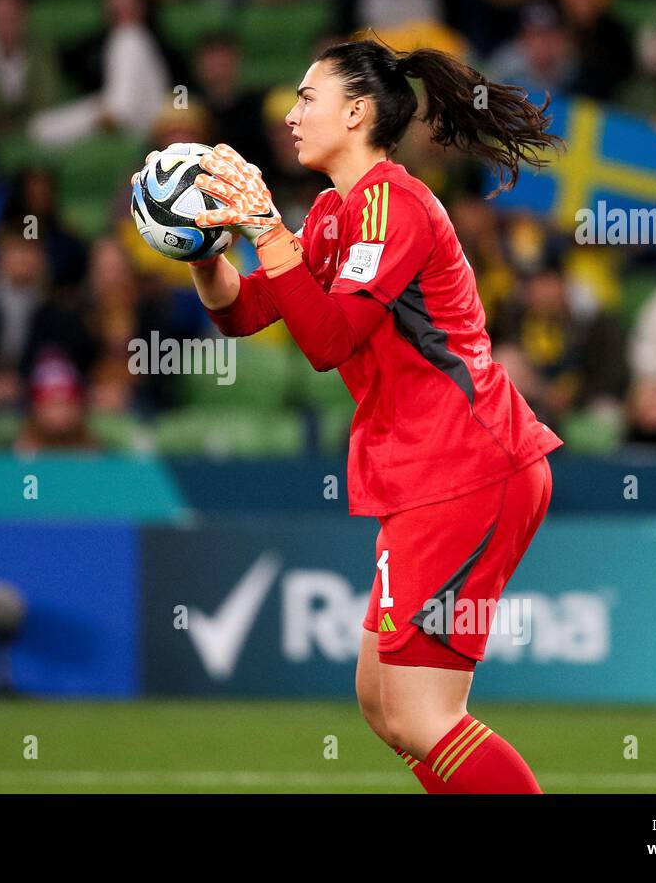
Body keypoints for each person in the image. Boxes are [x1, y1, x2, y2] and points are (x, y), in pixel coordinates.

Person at [138, 41, 565, 793]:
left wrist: (267, 231)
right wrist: (206, 247)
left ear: (359, 112)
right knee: (383, 702)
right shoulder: (339, 212)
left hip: (470, 464)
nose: (293, 114)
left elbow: (329, 340)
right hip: (427, 473)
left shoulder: (393, 205)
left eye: (308, 98)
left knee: (424, 712)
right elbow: (247, 314)